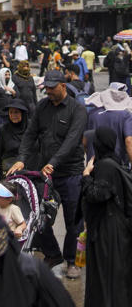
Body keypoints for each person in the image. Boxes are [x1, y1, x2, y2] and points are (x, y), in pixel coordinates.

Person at [7, 70, 87, 279]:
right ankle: (52, 254)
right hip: (45, 175)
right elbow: (30, 134)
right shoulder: (42, 107)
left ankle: (72, 261)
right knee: (38, 219)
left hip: (70, 173)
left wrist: (53, 162)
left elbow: (72, 141)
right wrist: (22, 158)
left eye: (52, 88)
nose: (48, 91)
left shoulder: (77, 110)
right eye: (47, 88)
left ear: (63, 85)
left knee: (73, 222)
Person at [80, 127, 132, 307]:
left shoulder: (106, 166)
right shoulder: (113, 162)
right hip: (112, 228)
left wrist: (86, 176)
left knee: (105, 276)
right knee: (112, 276)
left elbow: (97, 194)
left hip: (107, 232)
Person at [85, 86, 132, 167]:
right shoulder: (125, 115)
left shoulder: (92, 113)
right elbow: (129, 142)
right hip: (117, 165)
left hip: (93, 165)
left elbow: (85, 140)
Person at [0, 99, 37, 174]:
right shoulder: (4, 129)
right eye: (11, 112)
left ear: (23, 113)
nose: (13, 115)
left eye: (16, 112)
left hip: (32, 171)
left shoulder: (32, 128)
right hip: (10, 172)